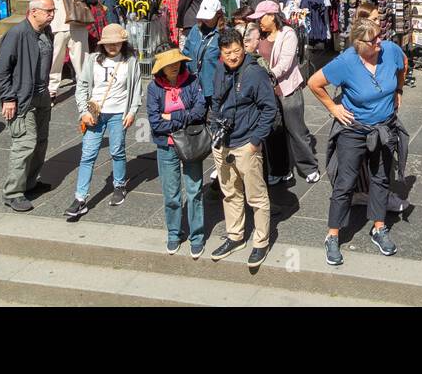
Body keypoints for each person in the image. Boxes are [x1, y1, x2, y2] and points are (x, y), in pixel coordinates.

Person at [308, 18, 407, 266]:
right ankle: (332, 235)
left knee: (381, 177)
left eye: (380, 36)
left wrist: (399, 91)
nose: (380, 42)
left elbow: (403, 65)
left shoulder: (390, 51)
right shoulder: (346, 62)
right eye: (374, 40)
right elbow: (314, 82)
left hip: (384, 128)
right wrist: (333, 108)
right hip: (354, 129)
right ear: (359, 43)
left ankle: (379, 227)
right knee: (345, 182)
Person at [209, 29, 278, 269]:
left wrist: (255, 141)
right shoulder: (219, 69)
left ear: (244, 47)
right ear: (221, 53)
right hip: (223, 143)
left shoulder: (255, 73)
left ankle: (261, 241)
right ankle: (235, 236)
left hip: (247, 144)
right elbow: (215, 101)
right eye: (227, 52)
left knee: (257, 197)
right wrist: (213, 128)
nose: (233, 56)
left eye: (237, 51)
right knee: (230, 193)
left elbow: (270, 108)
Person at [65, 24, 143, 220]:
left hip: (118, 113)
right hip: (95, 114)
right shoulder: (92, 60)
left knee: (117, 150)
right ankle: (80, 198)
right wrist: (83, 111)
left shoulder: (131, 61)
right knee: (88, 155)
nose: (112, 46)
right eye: (108, 43)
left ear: (122, 43)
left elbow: (136, 90)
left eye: (116, 43)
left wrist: (132, 111)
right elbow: (82, 86)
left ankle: (119, 185)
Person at [0, 0, 57, 212]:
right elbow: (0, 72)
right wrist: (8, 98)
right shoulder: (16, 34)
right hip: (21, 98)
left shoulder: (46, 31)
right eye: (48, 11)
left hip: (41, 95)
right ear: (33, 11)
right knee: (25, 143)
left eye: (53, 11)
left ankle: (29, 183)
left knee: (41, 142)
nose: (52, 15)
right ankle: (13, 193)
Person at [146, 48, 208, 256]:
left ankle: (197, 235)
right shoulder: (154, 88)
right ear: (161, 67)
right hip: (166, 146)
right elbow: (155, 122)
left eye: (177, 62)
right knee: (171, 195)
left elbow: (200, 112)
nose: (174, 66)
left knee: (194, 191)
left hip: (191, 142)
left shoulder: (192, 81)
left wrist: (170, 118)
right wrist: (184, 117)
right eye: (169, 64)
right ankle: (174, 233)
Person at [252, 1, 321, 184]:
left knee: (296, 130)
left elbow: (285, 62)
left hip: (287, 90)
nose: (259, 21)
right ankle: (281, 169)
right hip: (268, 92)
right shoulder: (260, 35)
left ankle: (309, 167)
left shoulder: (288, 34)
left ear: (272, 16)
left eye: (261, 17)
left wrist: (267, 75)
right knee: (274, 131)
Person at [41, 0, 99, 100]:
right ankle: (84, 91)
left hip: (55, 28)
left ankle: (52, 92)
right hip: (76, 26)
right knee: (80, 61)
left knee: (55, 61)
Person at [183, 0, 225, 106]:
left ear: (218, 15)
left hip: (212, 89)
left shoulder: (223, 35)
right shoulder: (195, 30)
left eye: (209, 17)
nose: (205, 20)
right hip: (192, 86)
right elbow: (186, 53)